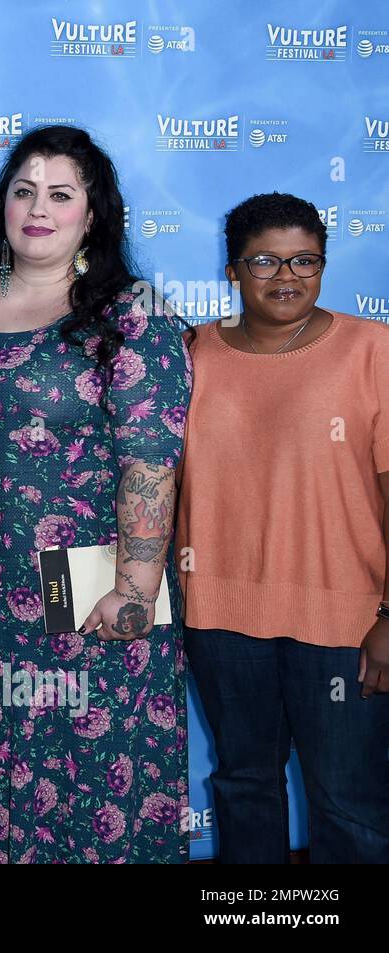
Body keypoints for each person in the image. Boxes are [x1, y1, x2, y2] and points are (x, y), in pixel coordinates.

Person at [0, 125, 193, 863]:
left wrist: (136, 585)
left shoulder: (128, 313)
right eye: (23, 189)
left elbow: (151, 458)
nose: (37, 207)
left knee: (90, 789)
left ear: (92, 214)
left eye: (59, 193)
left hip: (87, 597)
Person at [179, 192, 389, 863]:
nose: (287, 277)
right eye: (265, 261)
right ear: (233, 269)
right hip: (219, 613)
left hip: (345, 619)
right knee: (243, 786)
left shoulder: (372, 350)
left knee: (348, 800)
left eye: (306, 261)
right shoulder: (192, 354)